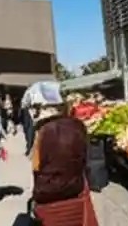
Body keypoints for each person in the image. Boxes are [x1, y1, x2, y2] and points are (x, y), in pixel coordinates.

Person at [30, 83, 100, 226]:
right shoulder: (78, 126)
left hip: (49, 195)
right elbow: (85, 158)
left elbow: (36, 167)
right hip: (75, 190)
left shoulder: (43, 131)